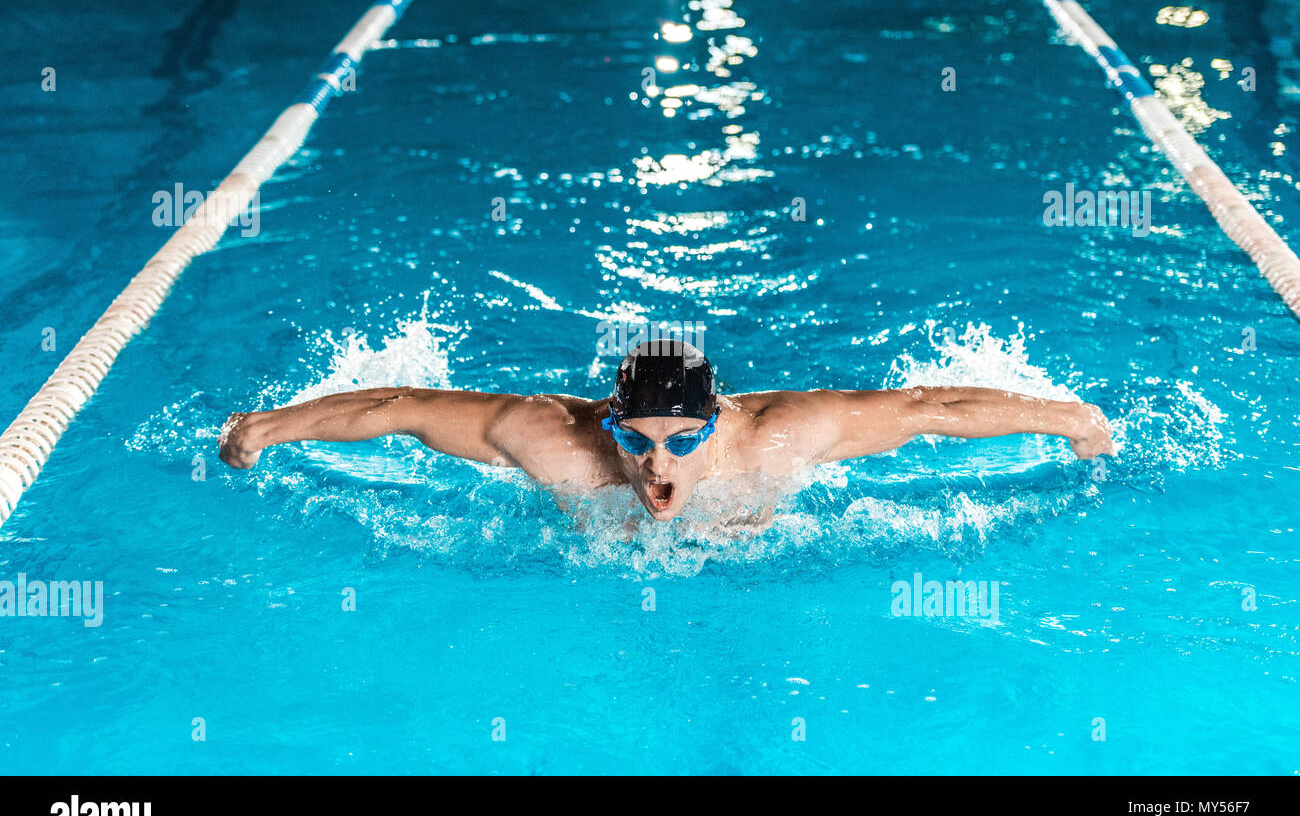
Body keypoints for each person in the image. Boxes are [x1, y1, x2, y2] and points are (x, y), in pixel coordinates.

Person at [219, 339, 1114, 522]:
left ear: (715, 420)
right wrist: (267, 429)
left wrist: (1071, 420)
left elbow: (928, 413)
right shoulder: (553, 441)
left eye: (681, 441)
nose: (656, 467)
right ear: (606, 422)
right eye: (638, 440)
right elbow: (403, 407)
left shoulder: (778, 436)